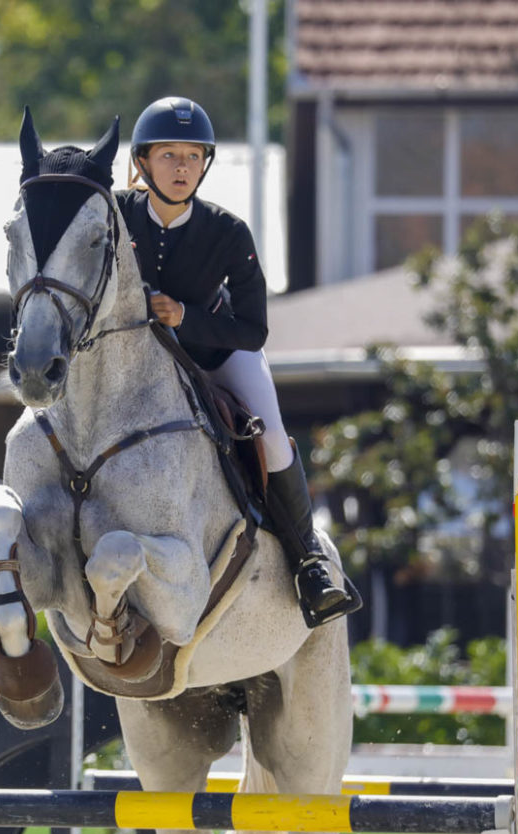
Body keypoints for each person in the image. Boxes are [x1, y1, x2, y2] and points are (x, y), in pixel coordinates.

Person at [115, 96, 358, 628]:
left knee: (269, 435)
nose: (182, 167)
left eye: (193, 156)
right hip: (133, 360)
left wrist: (185, 316)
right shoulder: (114, 215)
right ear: (141, 163)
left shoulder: (228, 231)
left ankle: (309, 562)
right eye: (169, 155)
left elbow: (254, 329)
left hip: (217, 355)